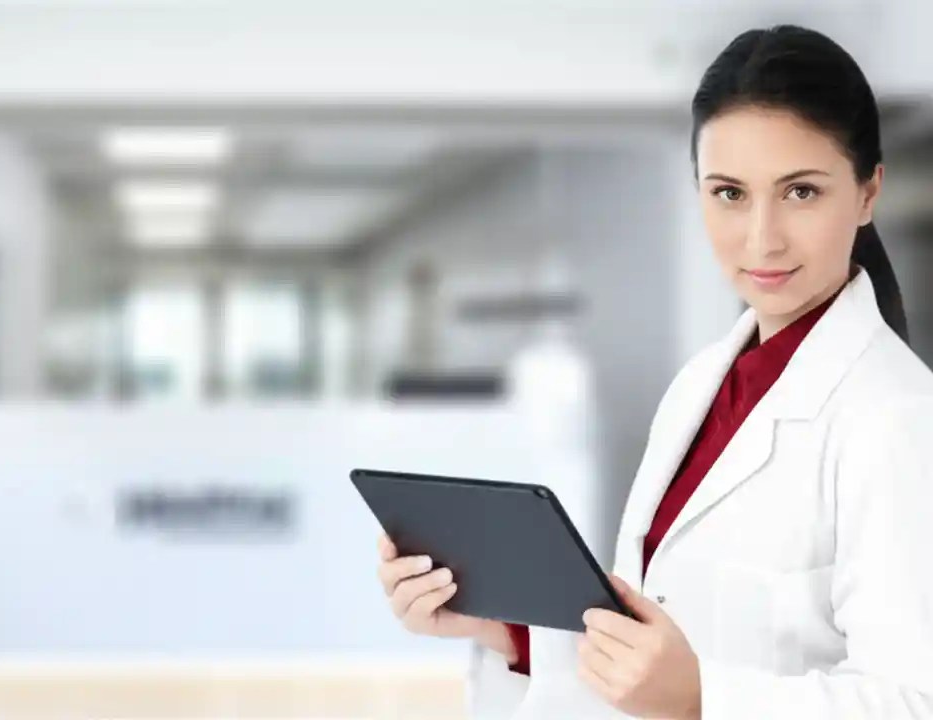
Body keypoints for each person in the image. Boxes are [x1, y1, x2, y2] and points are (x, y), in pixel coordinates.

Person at [376, 25, 933, 719]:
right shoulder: (698, 389)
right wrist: (509, 633)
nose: (761, 237)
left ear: (869, 192)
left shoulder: (898, 416)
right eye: (729, 193)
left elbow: (913, 700)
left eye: (800, 193)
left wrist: (705, 698)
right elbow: (650, 650)